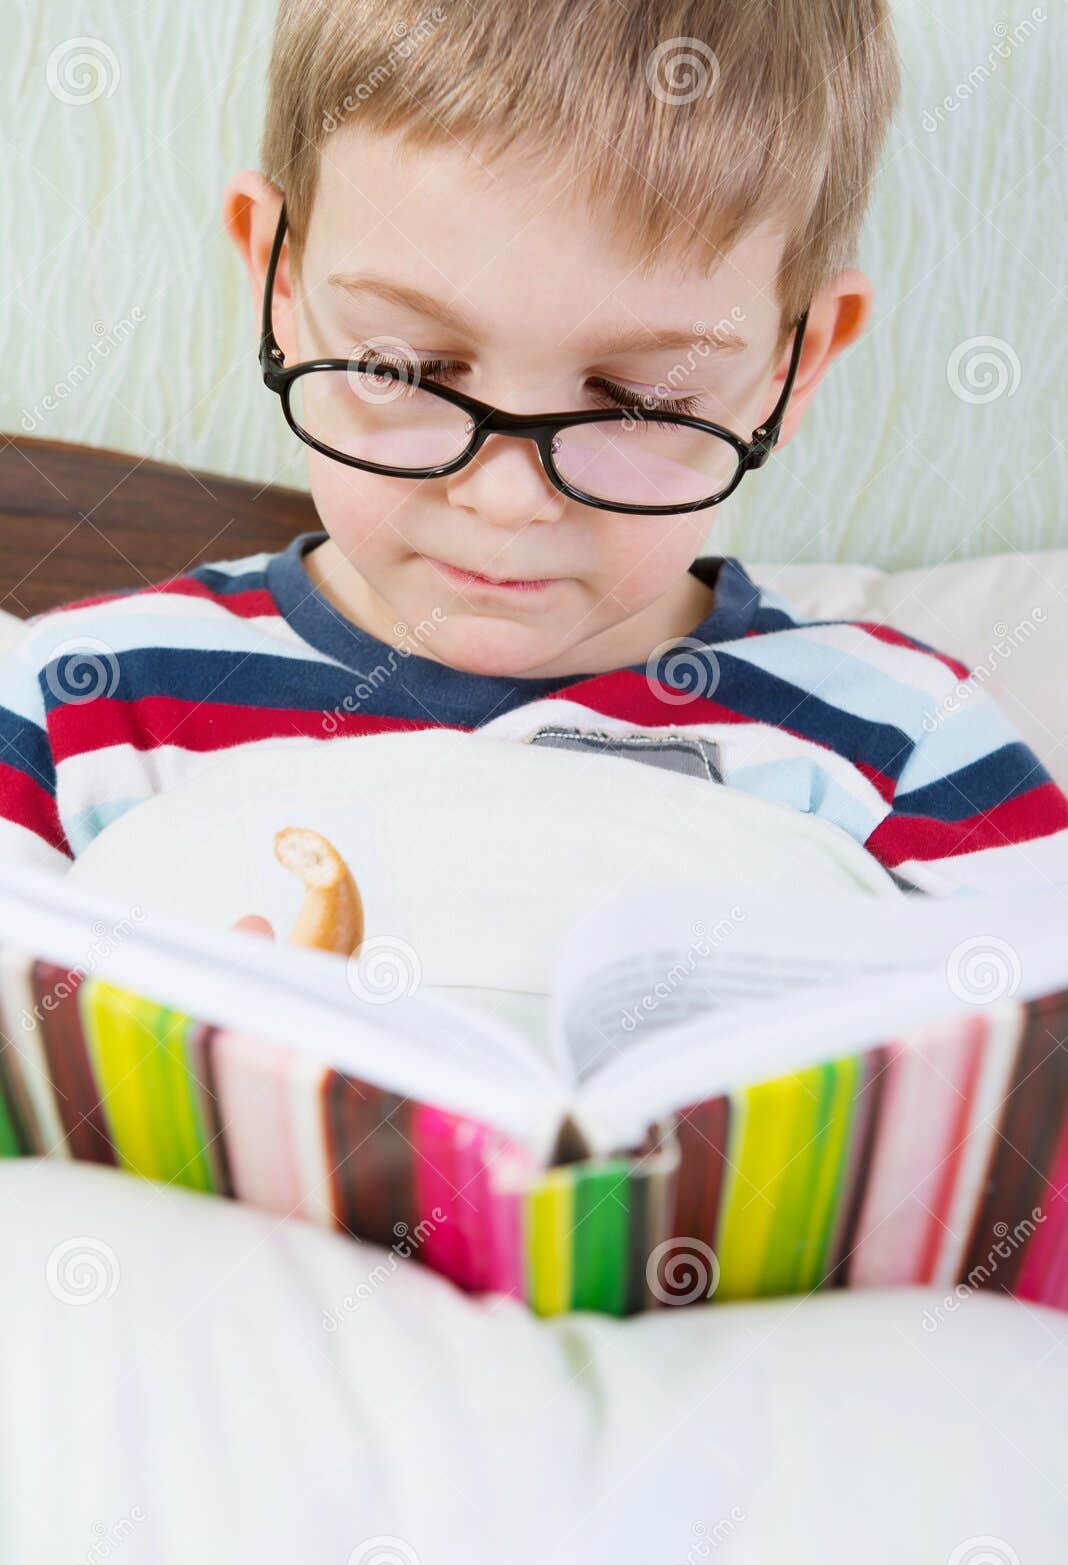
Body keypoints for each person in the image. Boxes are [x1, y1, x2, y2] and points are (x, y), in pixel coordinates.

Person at [2, 0, 1065, 896]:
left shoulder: (908, 747)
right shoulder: (76, 713)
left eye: (638, 401)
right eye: (410, 368)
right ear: (278, 282)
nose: (507, 501)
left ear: (797, 365)